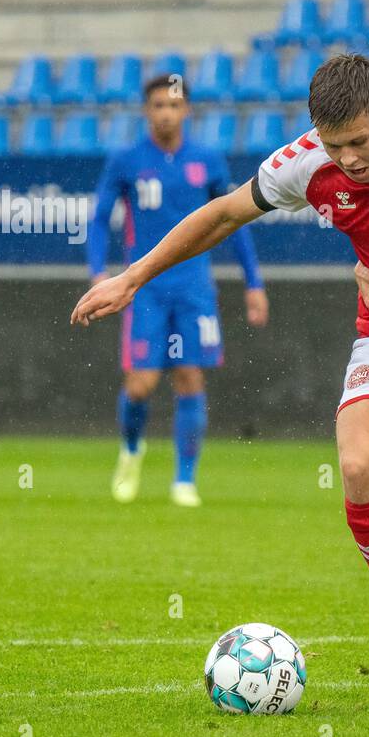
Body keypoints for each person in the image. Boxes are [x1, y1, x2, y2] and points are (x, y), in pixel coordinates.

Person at [72, 54, 369, 706]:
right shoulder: (305, 161)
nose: (347, 159)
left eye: (359, 142)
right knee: (359, 465)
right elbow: (223, 214)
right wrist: (131, 276)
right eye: (333, 145)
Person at [85, 75, 269, 508]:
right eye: (157, 106)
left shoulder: (207, 160)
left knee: (189, 375)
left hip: (194, 287)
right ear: (146, 111)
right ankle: (132, 449)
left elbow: (234, 221)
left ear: (186, 111)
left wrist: (253, 282)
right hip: (143, 287)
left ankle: (184, 480)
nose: (166, 113)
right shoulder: (126, 160)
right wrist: (97, 271)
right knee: (141, 384)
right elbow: (98, 219)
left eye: (173, 105)